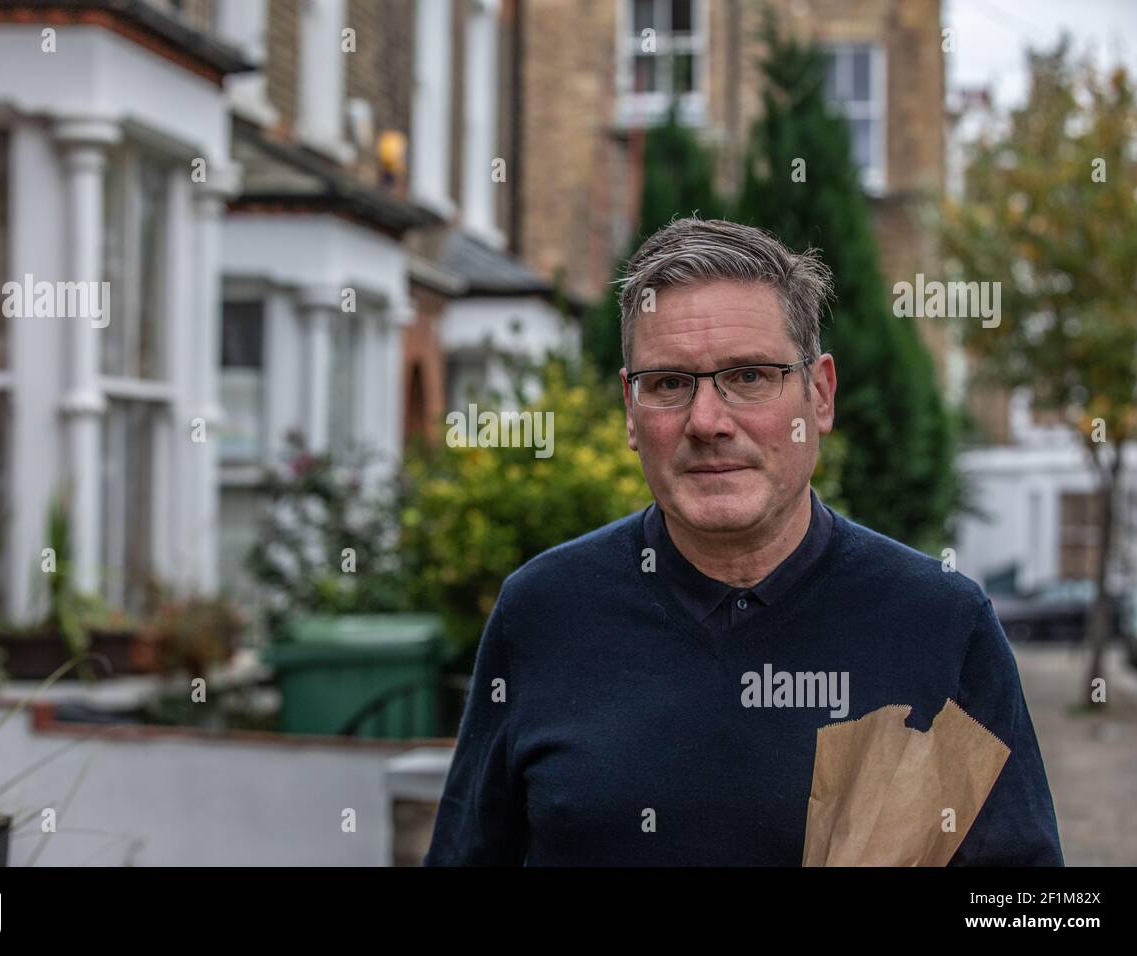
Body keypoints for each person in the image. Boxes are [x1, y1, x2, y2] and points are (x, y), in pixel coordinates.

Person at [422, 218, 1063, 866]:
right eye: (669, 384)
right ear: (629, 410)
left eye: (750, 376)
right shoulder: (543, 613)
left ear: (819, 395)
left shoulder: (941, 627)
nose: (707, 421)